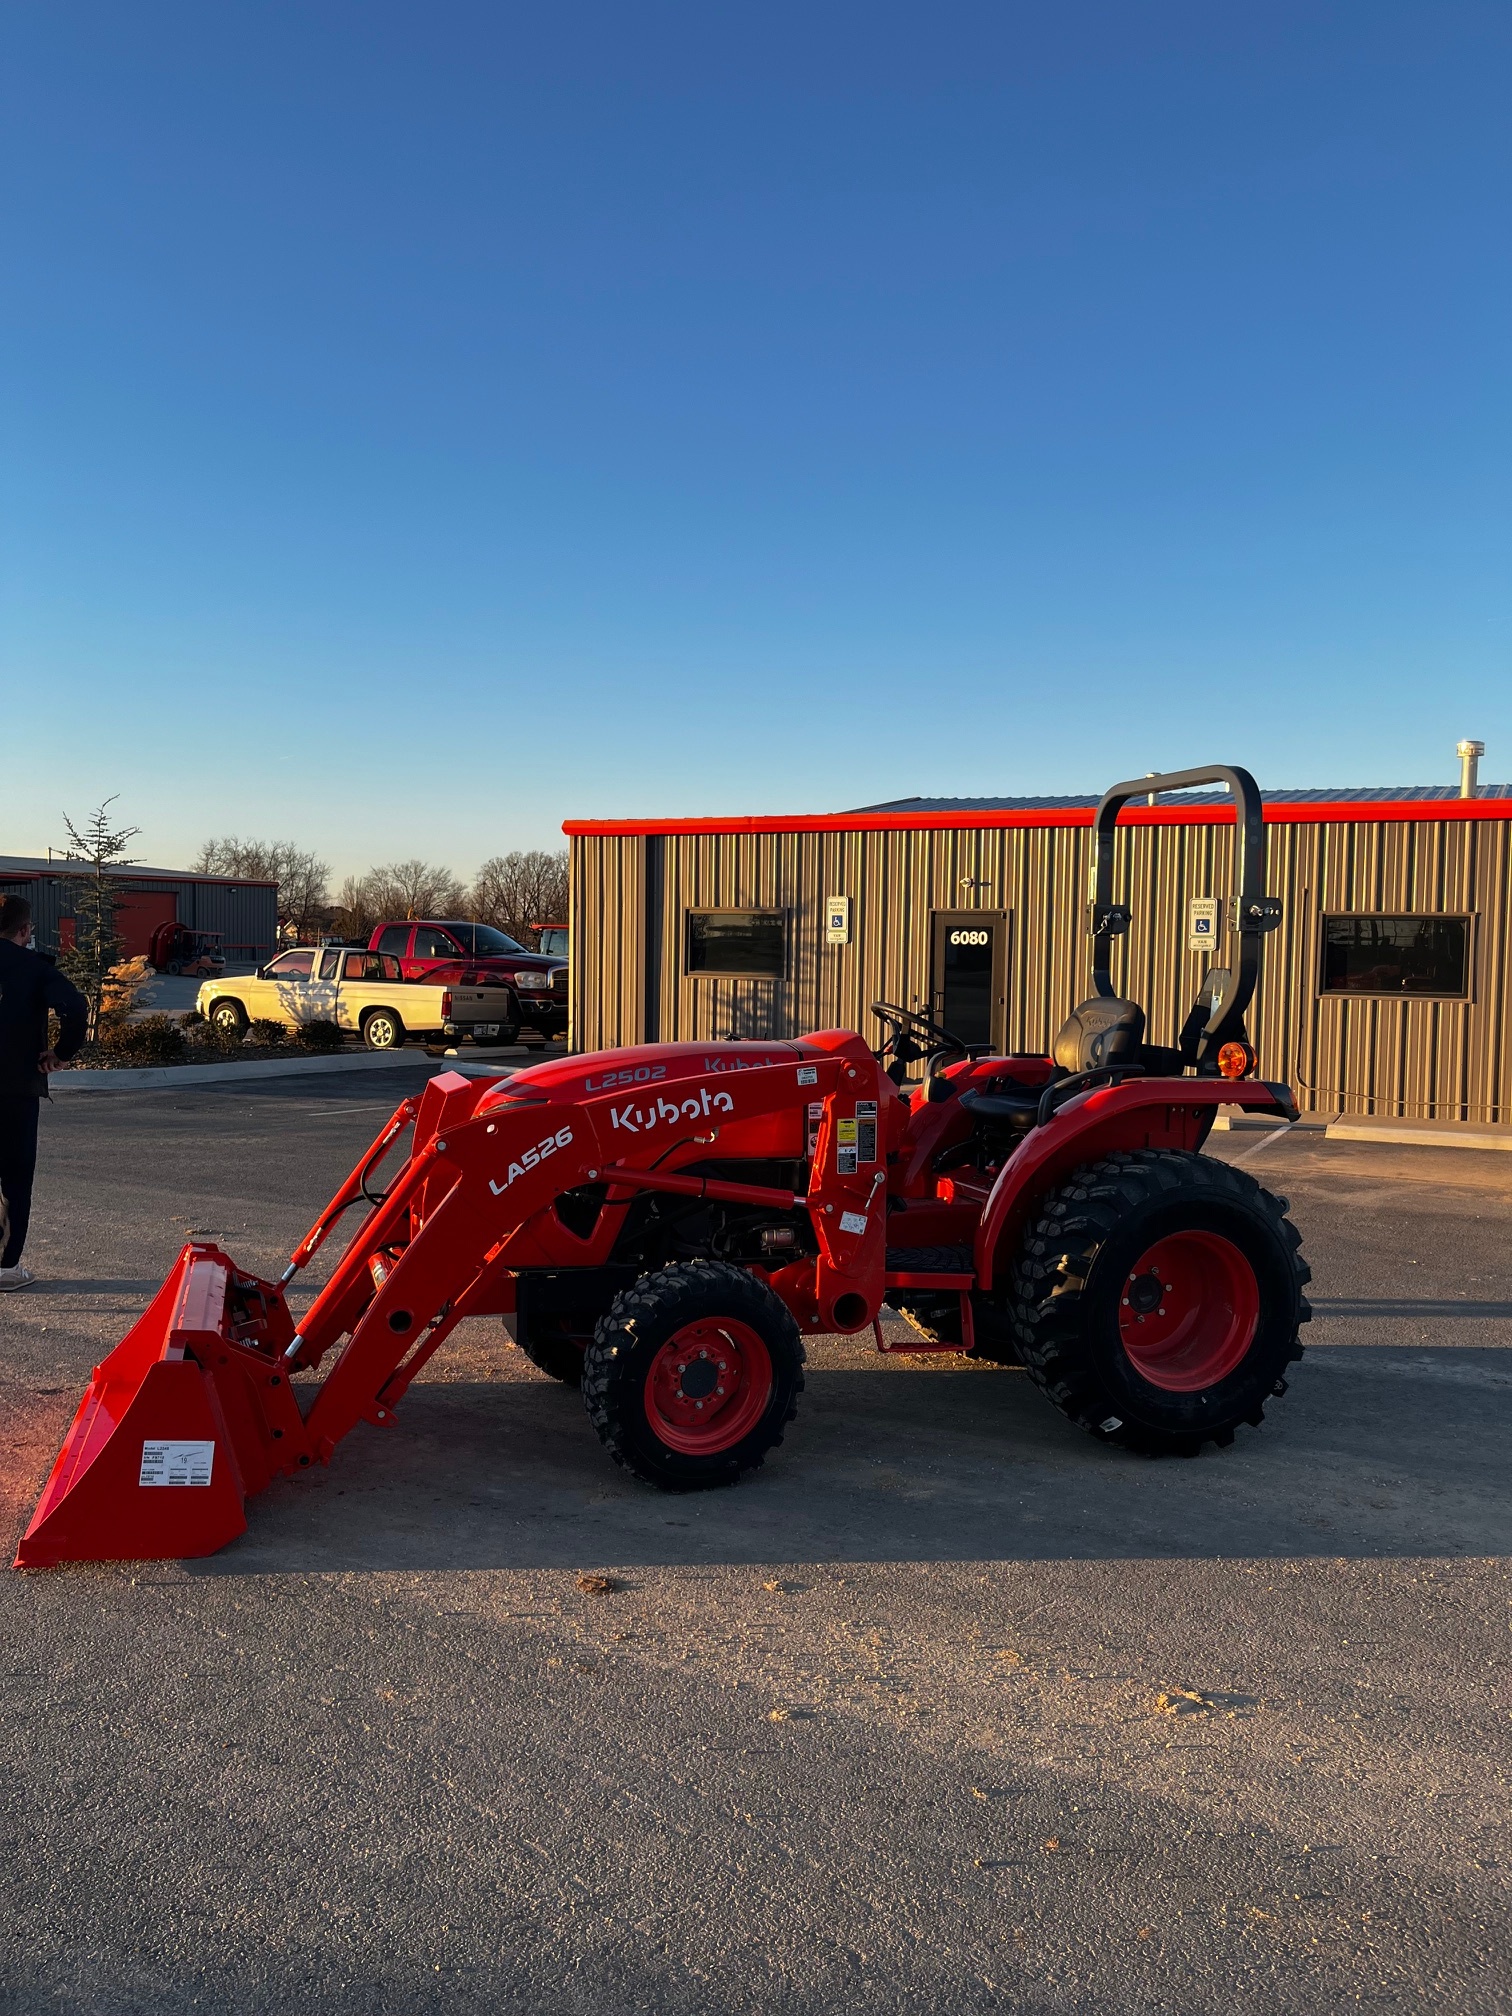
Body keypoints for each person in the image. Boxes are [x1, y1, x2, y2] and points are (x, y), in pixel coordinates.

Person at [0, 895, 88, 1290]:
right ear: (23, 930)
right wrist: (62, 1053)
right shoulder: (32, 968)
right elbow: (73, 1004)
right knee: (14, 1176)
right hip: (14, 1086)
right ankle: (4, 1267)